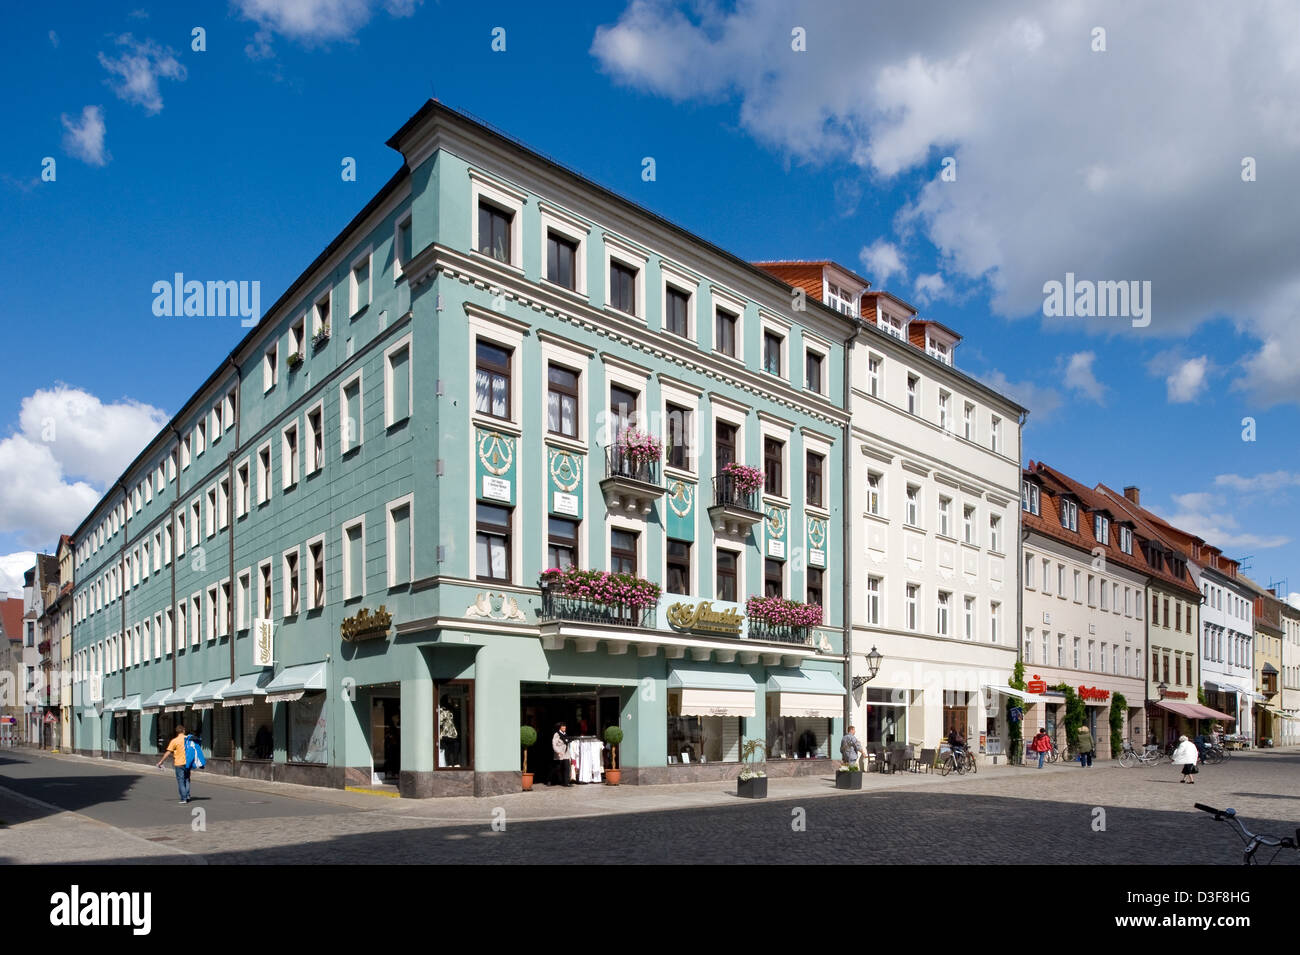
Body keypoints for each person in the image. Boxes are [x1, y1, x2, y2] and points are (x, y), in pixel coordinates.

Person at [156, 724, 192, 804]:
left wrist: (161, 761)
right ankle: (188, 795)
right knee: (187, 779)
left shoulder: (174, 741)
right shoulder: (189, 739)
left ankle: (184, 798)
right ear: (183, 730)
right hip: (188, 763)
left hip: (179, 763)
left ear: (177, 732)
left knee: (181, 781)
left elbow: (168, 752)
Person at [551, 721, 571, 786]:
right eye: (563, 726)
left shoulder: (565, 734)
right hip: (559, 753)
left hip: (566, 753)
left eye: (565, 726)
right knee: (557, 768)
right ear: (560, 727)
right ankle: (552, 780)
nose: (564, 727)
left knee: (567, 767)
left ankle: (566, 782)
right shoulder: (557, 734)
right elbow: (554, 744)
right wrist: (557, 751)